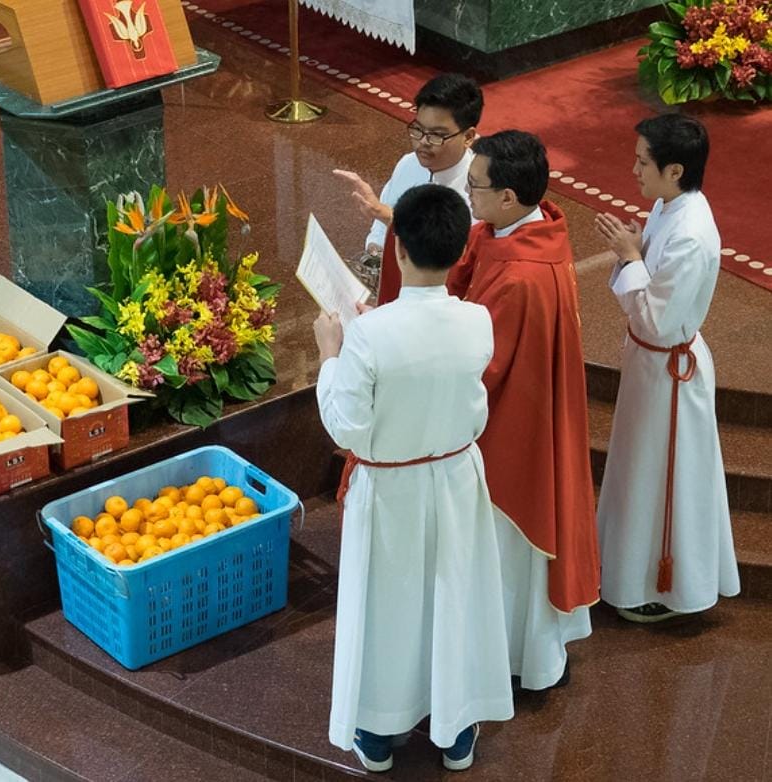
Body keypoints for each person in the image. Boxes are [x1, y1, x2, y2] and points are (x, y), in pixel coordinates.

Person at [314, 184, 513, 773]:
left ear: (397, 247)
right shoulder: (476, 320)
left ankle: (378, 732)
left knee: (390, 606)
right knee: (454, 597)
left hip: (390, 489)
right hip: (454, 479)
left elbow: (346, 427)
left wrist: (330, 354)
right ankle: (456, 728)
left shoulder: (368, 335)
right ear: (460, 251)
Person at [446, 130, 600, 691]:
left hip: (513, 427)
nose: (469, 195)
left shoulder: (520, 275)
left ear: (509, 196)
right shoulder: (535, 234)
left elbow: (482, 366)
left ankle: (517, 660)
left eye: (475, 186)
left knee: (508, 549)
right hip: (533, 408)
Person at [593, 114, 739, 623]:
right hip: (650, 366)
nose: (634, 170)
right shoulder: (667, 204)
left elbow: (656, 321)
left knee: (663, 481)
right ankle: (627, 572)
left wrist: (630, 256)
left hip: (669, 373)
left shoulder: (692, 234)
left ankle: (665, 585)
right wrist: (636, 251)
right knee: (639, 474)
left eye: (642, 162)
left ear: (674, 170)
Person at [333, 73, 483, 304]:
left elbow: (455, 261)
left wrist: (388, 216)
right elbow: (379, 230)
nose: (423, 142)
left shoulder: (480, 188)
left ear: (468, 137)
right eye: (418, 130)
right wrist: (375, 259)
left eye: (437, 135)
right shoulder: (408, 164)